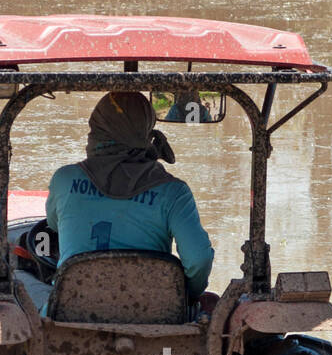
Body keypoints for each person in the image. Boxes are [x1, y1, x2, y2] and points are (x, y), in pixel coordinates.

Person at [44, 92, 214, 312]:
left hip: (71, 315)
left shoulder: (64, 179)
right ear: (146, 130)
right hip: (154, 319)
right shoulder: (174, 192)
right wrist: (184, 295)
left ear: (96, 129)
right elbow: (198, 260)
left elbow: (54, 225)